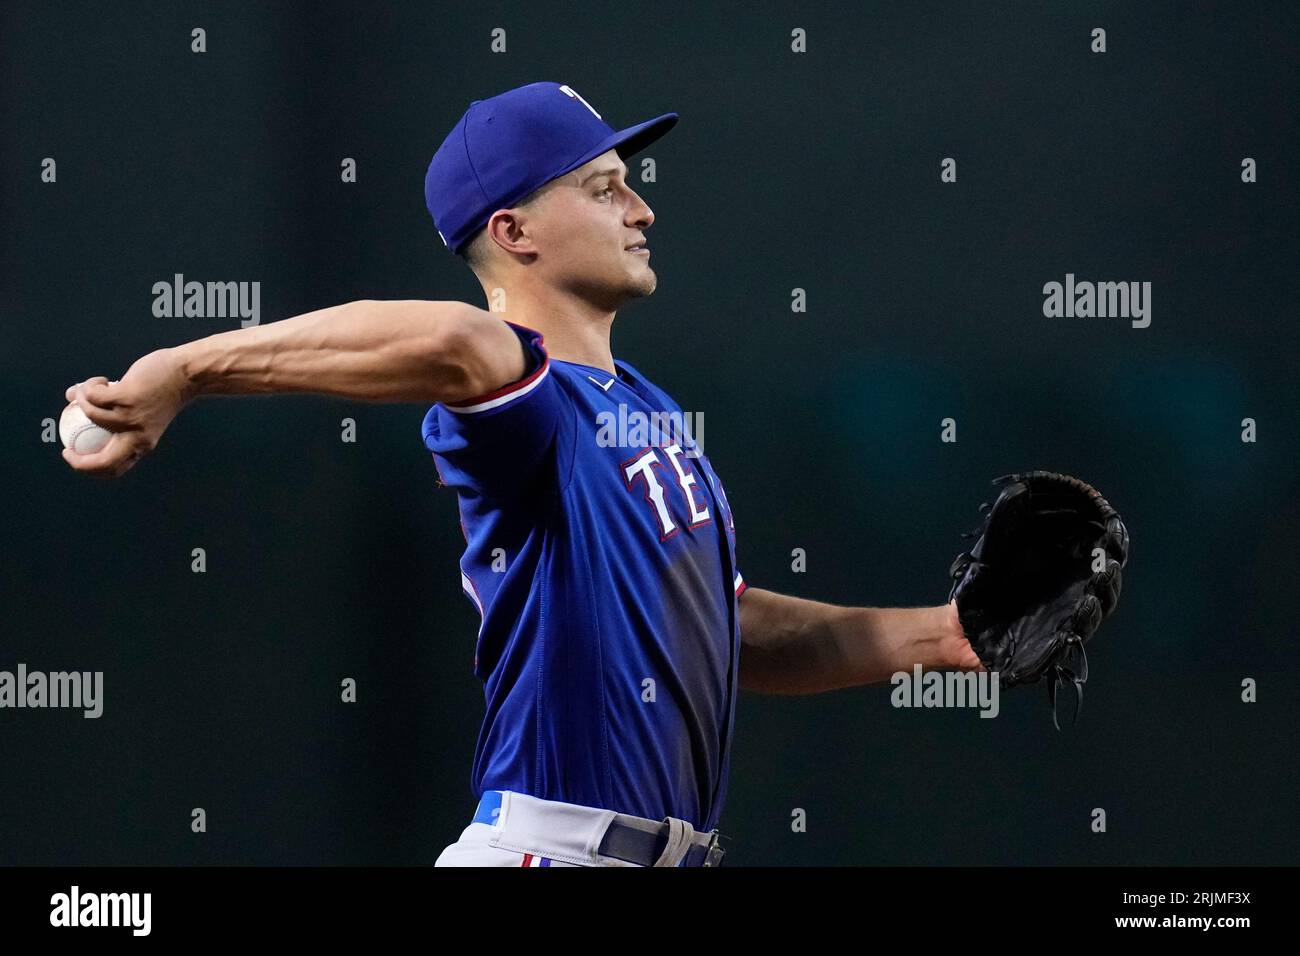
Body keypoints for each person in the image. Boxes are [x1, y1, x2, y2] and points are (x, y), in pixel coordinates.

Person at [61, 81, 982, 867]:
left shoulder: (649, 406)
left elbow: (725, 628)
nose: (642, 210)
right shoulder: (527, 406)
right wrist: (186, 368)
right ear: (513, 229)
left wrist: (942, 637)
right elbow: (460, 340)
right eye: (604, 188)